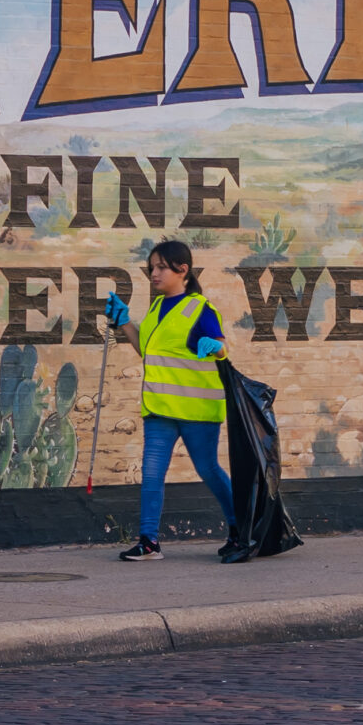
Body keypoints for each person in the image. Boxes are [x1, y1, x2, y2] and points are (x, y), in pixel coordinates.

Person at [100, 240, 233, 561]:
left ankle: (242, 526)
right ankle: (149, 542)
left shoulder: (200, 308)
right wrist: (124, 322)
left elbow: (222, 347)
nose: (154, 274)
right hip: (159, 409)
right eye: (152, 268)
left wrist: (213, 347)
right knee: (151, 475)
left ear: (182, 270)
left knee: (209, 470)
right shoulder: (157, 307)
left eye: (161, 267)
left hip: (196, 410)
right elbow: (147, 351)